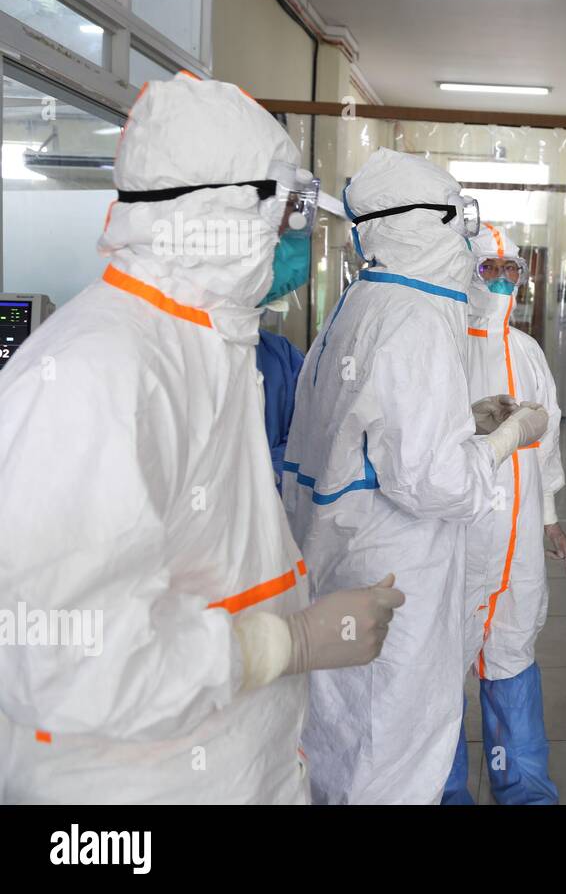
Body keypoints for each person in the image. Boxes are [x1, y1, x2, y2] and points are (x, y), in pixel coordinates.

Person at [0, 74, 402, 803]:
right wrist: (293, 642)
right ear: (226, 208)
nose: (297, 237)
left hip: (232, 763)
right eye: (288, 211)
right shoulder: (99, 374)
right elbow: (66, 661)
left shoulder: (207, 345)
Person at [282, 148, 549, 804]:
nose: (466, 238)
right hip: (397, 580)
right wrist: (511, 435)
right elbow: (438, 484)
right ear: (421, 223)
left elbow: (371, 436)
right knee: (390, 762)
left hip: (344, 567)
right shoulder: (420, 317)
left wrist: (463, 419)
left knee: (345, 745)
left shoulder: (360, 305)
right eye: (458, 219)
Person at [443, 223, 566, 805]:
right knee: (440, 664)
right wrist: (474, 421)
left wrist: (546, 517)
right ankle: (441, 791)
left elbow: (548, 441)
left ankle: (524, 788)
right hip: (454, 537)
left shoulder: (527, 350)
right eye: (487, 267)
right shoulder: (440, 342)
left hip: (516, 542)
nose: (498, 280)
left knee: (513, 652)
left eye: (509, 270)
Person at [256, 328, 305, 481]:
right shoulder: (186, 355)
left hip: (276, 495)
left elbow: (309, 432)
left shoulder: (281, 353)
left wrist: (271, 472)